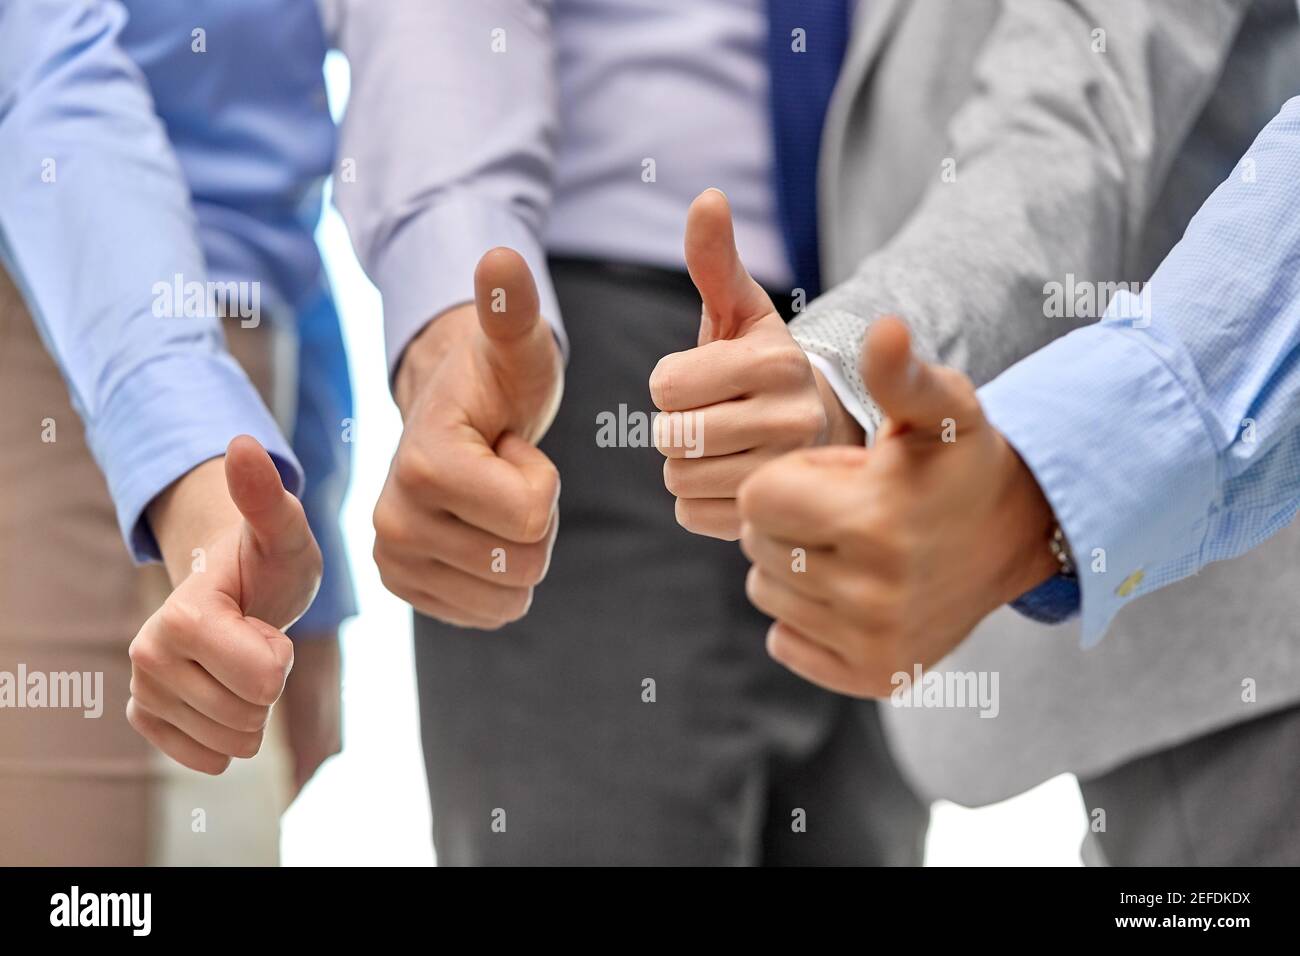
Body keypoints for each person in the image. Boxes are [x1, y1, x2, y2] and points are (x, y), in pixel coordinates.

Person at [328, 0, 1286, 863]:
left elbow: (1077, 88)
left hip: (900, 349)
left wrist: (840, 370)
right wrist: (452, 315)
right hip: (599, 347)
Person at [675, 4, 1300, 866]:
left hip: (1252, 665)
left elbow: (1072, 111)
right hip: (1162, 674)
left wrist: (1046, 480)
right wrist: (836, 380)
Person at [0, 0, 353, 863]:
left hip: (175, 396)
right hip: (91, 380)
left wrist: (311, 574)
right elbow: (40, 67)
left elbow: (279, 204)